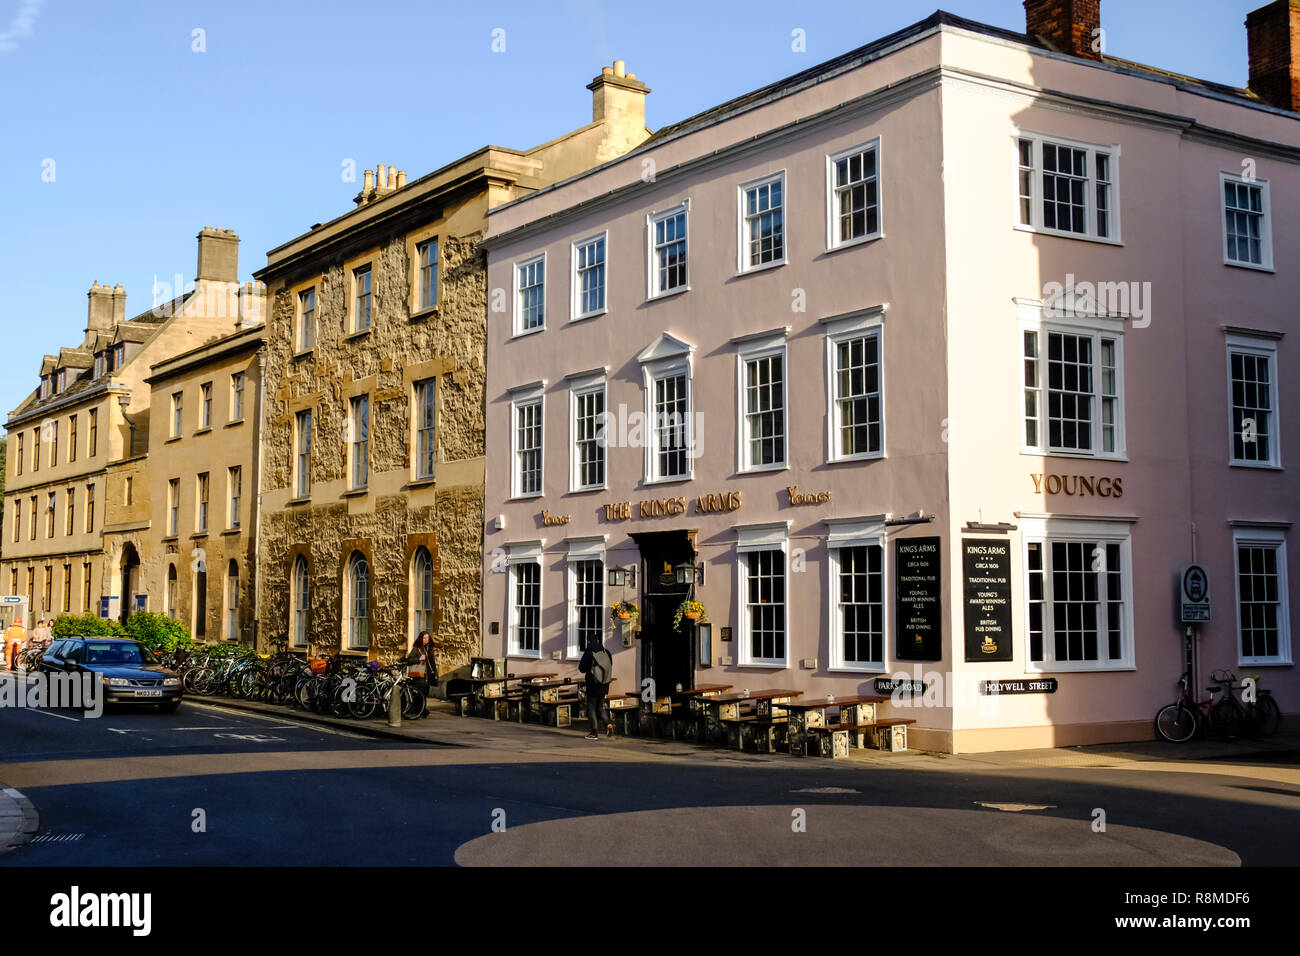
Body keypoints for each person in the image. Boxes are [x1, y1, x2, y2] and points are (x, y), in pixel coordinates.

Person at [577, 634, 614, 740]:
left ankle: (594, 733)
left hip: (592, 684)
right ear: (599, 641)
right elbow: (610, 666)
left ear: (589, 642)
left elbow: (581, 669)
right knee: (600, 707)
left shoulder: (589, 653)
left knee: (591, 708)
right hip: (604, 684)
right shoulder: (606, 652)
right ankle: (608, 724)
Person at [404, 630, 437, 718]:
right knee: (419, 694)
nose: (426, 640)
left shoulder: (430, 648)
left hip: (428, 675)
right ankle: (420, 711)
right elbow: (409, 660)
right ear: (420, 639)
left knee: (425, 694)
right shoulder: (417, 648)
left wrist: (435, 673)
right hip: (419, 675)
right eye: (424, 638)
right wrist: (419, 658)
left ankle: (422, 710)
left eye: (427, 638)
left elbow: (432, 663)